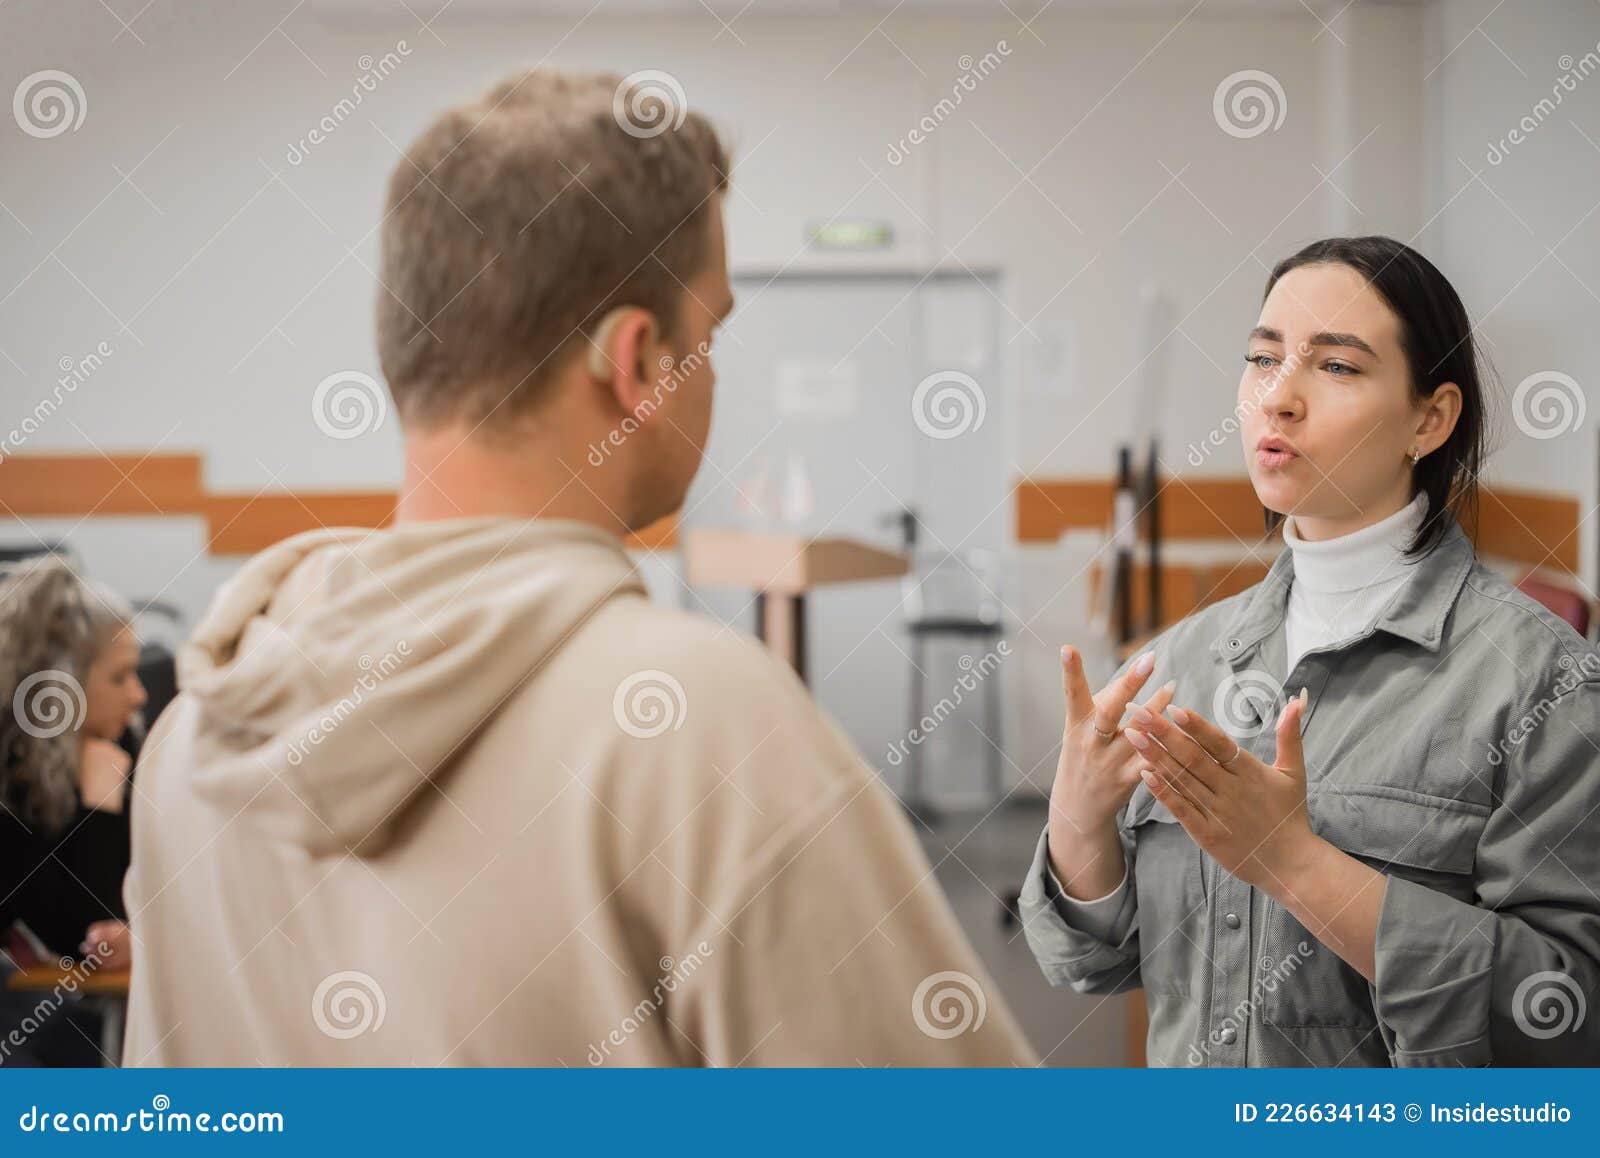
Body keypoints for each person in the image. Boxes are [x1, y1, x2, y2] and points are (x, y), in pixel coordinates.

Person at [122, 69, 1033, 1067]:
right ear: (638, 363)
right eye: (711, 335)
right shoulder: (705, 731)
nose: (715, 375)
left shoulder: (190, 743)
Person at [1020, 236, 1600, 1067]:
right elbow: (1093, 963)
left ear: (1430, 419)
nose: (1278, 397)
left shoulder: (1543, 684)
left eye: (1336, 367)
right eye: (1263, 358)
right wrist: (1078, 827)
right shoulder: (1184, 660)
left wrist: (1298, 866)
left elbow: (1564, 1024)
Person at [0, 554, 142, 1066]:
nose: (139, 695)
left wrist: (134, 934)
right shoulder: (10, 772)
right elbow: (75, 932)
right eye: (121, 677)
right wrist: (97, 806)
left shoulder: (117, 745)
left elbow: (107, 925)